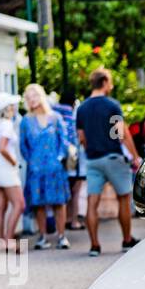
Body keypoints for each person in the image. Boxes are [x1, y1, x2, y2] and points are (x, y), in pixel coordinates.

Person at [75, 67, 140, 257]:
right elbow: (120, 134)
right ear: (104, 82)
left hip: (93, 160)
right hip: (113, 158)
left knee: (92, 202)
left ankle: (94, 245)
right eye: (110, 82)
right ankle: (127, 239)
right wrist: (134, 156)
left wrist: (91, 148)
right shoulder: (112, 105)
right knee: (123, 198)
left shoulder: (82, 108)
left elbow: (81, 137)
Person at [20, 83, 72, 249]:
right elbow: (23, 145)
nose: (32, 99)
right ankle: (43, 237)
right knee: (38, 204)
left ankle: (62, 236)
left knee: (59, 202)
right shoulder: (26, 121)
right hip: (36, 170)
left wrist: (59, 158)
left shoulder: (55, 117)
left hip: (55, 167)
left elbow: (64, 141)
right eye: (28, 97)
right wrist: (32, 162)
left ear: (40, 95)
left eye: (34, 95)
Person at [0, 92, 23, 245]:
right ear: (7, 108)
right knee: (19, 204)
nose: (15, 108)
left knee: (0, 206)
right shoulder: (7, 125)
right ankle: (9, 241)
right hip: (6, 169)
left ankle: (0, 242)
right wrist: (13, 162)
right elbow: (2, 148)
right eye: (12, 105)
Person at [54, 89, 86, 230]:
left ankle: (63, 220)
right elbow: (77, 137)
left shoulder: (53, 113)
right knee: (76, 189)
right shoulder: (74, 115)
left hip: (56, 156)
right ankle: (73, 220)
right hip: (73, 154)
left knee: (64, 188)